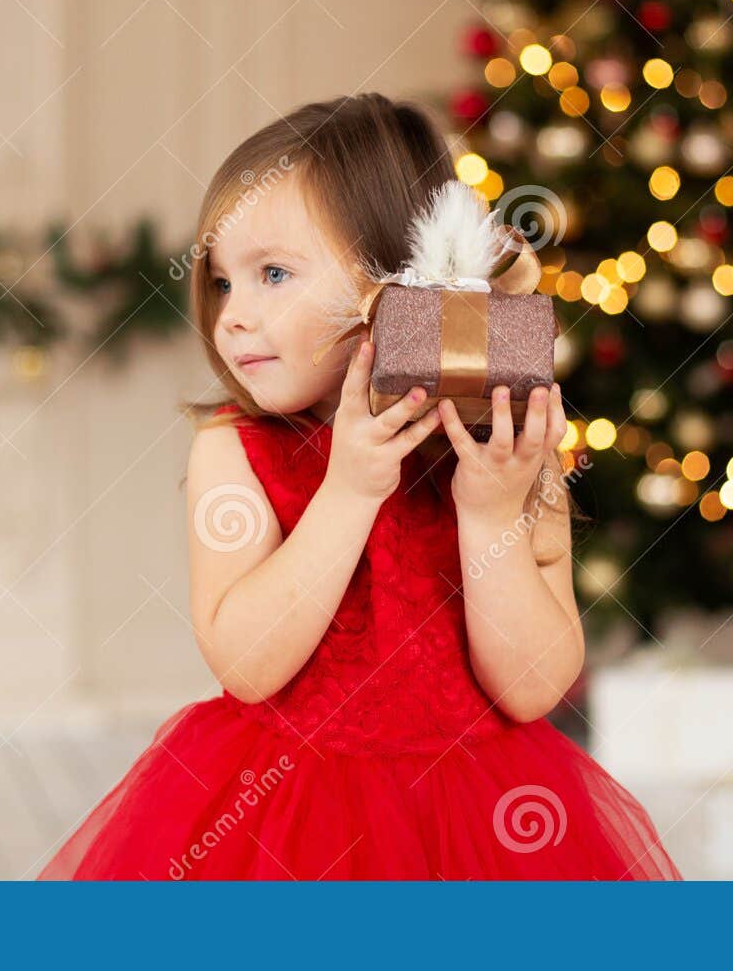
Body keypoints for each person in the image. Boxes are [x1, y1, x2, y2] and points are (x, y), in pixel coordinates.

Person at [36, 93, 681, 880]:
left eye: (272, 273)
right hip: (283, 816)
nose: (232, 316)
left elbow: (533, 686)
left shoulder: (502, 449)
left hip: (486, 819)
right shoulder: (233, 451)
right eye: (222, 282)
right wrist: (346, 492)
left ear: (396, 283)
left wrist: (487, 515)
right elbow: (247, 664)